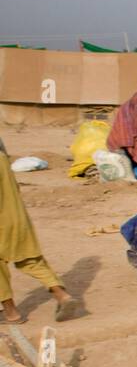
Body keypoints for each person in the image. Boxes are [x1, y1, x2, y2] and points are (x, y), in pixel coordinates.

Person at [1, 137, 79, 323]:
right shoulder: (3, 158)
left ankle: (11, 312)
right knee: (31, 258)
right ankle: (61, 295)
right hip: (17, 215)